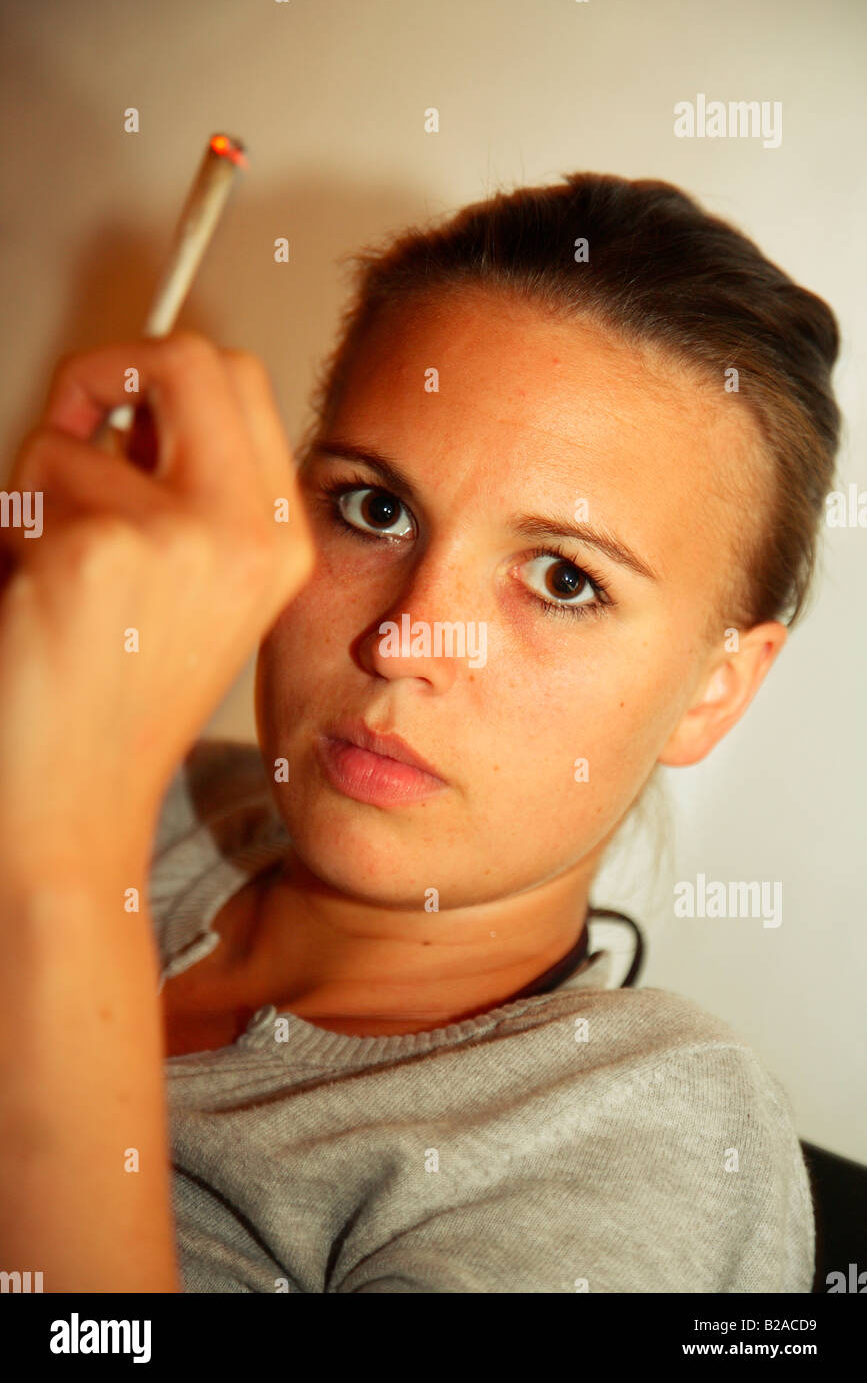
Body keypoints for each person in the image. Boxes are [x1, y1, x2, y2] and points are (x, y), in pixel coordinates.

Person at [0, 172, 840, 1293]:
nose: (405, 641)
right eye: (376, 508)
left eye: (562, 578)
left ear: (714, 692)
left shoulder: (643, 1127)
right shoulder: (165, 796)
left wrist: (57, 848)